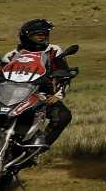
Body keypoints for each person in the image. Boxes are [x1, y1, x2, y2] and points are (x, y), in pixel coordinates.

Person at [11, 19, 74, 152]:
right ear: (26, 36)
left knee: (63, 116)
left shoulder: (54, 51)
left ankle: (34, 151)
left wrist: (57, 96)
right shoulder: (13, 54)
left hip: (41, 96)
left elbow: (64, 75)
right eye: (38, 34)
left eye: (45, 34)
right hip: (12, 94)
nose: (43, 37)